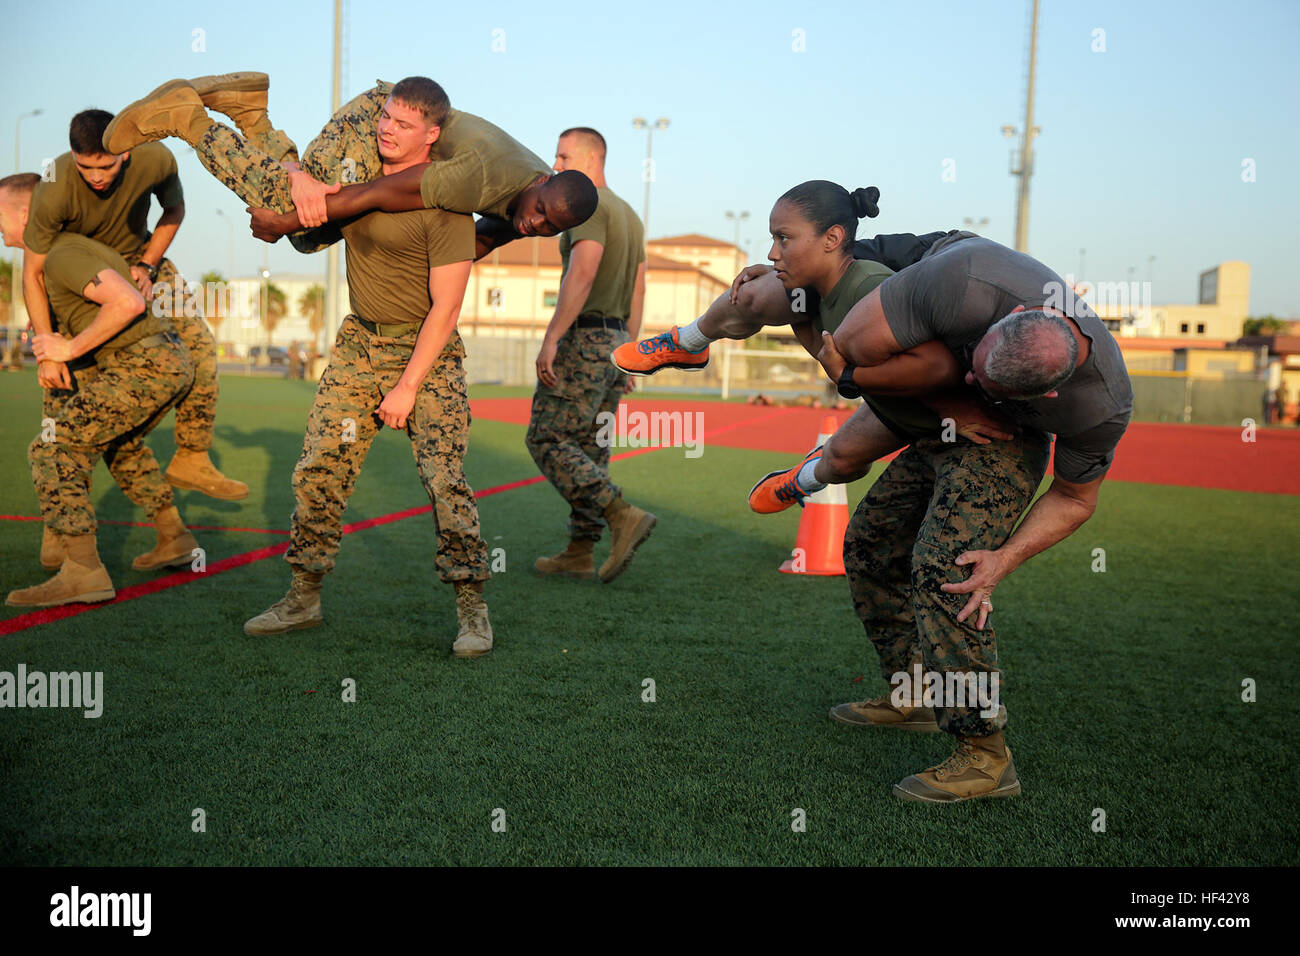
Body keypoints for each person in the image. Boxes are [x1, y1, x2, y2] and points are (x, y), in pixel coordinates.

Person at [766, 232, 1133, 802]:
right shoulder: (963, 278)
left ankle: (985, 755)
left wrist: (1003, 560)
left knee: (950, 571)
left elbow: (1075, 499)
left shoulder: (1099, 406)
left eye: (982, 383)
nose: (971, 378)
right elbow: (848, 339)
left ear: (1050, 397)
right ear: (1006, 318)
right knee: (871, 542)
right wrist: (949, 403)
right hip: (935, 411)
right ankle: (911, 689)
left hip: (1006, 440)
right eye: (974, 367)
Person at [240, 77, 494, 658]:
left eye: (403, 125)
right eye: (385, 117)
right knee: (319, 467)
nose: (386, 129)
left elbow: (447, 308)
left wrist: (407, 388)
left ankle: (472, 608)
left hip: (424, 355)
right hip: (359, 346)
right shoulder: (363, 183)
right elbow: (307, 194)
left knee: (444, 480)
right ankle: (303, 595)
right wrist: (297, 179)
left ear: (432, 135)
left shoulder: (446, 201)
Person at [102, 74, 597, 257]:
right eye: (540, 211)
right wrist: (282, 220)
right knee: (293, 205)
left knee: (312, 237)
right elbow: (380, 193)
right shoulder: (481, 176)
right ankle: (188, 120)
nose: (536, 223)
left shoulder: (537, 206)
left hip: (409, 142)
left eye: (550, 227)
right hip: (386, 122)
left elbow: (479, 241)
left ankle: (252, 112)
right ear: (544, 181)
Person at [23, 109, 247, 504]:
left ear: (124, 153)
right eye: (85, 166)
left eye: (104, 166)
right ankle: (59, 528)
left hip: (142, 261)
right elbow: (34, 273)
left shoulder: (155, 158)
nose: (95, 176)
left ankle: (192, 457)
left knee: (201, 350)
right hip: (83, 280)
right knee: (66, 400)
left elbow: (174, 211)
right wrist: (47, 350)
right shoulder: (55, 186)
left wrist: (147, 264)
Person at [0, 174, 200, 607]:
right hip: (161, 362)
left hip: (147, 364)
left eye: (0, 215)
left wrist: (65, 347)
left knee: (52, 449)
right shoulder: (59, 255)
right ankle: (174, 536)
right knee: (119, 445)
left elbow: (128, 302)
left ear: (23, 214)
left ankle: (84, 573)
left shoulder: (60, 254)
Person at [526, 127, 654, 583]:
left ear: (589, 158)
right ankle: (580, 551)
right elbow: (639, 286)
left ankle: (621, 513)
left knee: (547, 438)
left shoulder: (586, 205)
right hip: (617, 341)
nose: (556, 165)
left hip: (584, 339)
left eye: (562, 156)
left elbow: (583, 271)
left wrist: (552, 337)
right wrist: (633, 351)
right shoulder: (630, 214)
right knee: (590, 447)